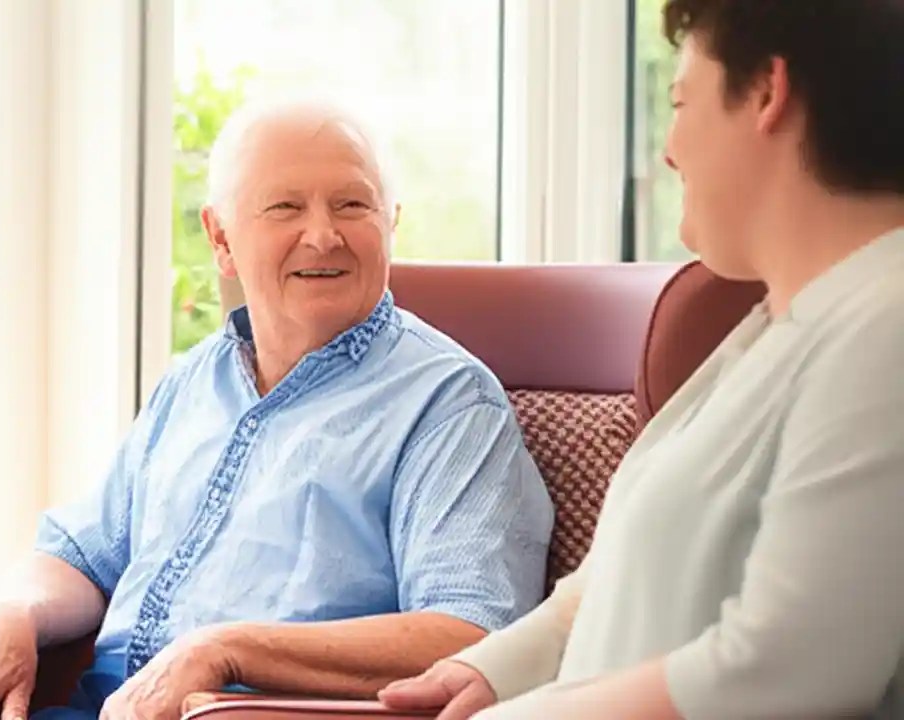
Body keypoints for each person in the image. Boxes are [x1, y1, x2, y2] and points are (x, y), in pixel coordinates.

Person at [0, 97, 554, 720]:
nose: (323, 235)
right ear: (221, 239)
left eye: (352, 204)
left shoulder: (448, 403)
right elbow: (82, 556)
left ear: (391, 221)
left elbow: (472, 635)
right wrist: (12, 611)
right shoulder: (191, 383)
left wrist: (224, 652)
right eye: (285, 207)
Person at [378, 1, 904, 718]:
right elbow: (628, 571)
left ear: (766, 94)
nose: (668, 148)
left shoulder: (883, 328)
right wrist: (496, 671)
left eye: (680, 101)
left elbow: (789, 666)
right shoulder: (772, 330)